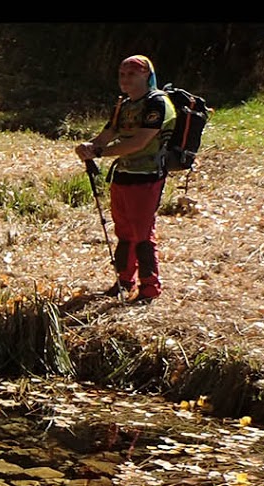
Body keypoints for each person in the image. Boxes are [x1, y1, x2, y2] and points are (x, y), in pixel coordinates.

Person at [75, 55, 176, 303]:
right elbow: (108, 133)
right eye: (122, 74)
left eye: (132, 74)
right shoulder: (123, 104)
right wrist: (89, 147)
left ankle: (149, 289)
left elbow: (139, 141)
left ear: (146, 75)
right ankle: (123, 282)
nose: (125, 79)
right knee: (124, 232)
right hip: (123, 174)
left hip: (147, 175)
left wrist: (100, 152)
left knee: (142, 233)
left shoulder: (158, 103)